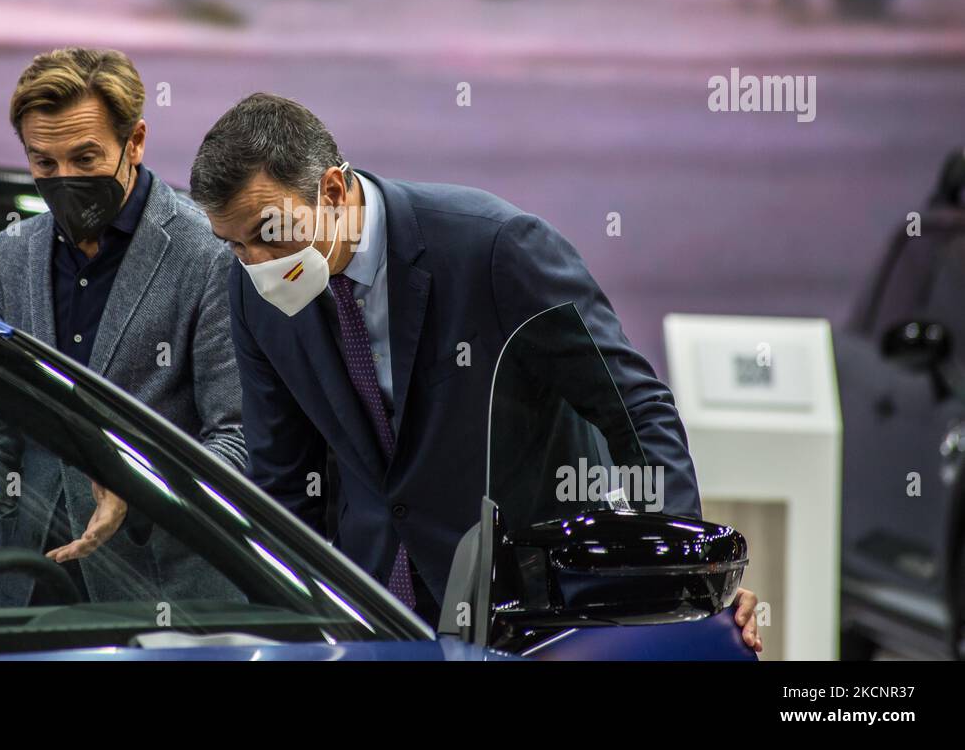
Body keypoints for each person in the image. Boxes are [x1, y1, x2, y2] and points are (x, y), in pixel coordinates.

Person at [189, 92, 761, 651]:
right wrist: (291, 633)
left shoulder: (494, 248)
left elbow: (634, 410)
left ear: (333, 190)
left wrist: (680, 586)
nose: (258, 264)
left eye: (268, 233)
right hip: (371, 615)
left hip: (528, 611)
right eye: (235, 246)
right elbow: (284, 481)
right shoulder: (253, 294)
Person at [0, 48, 246, 605]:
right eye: (44, 163)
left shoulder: (208, 255)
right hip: (31, 588)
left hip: (165, 600)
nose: (64, 180)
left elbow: (238, 440)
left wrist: (139, 489)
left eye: (85, 159)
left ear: (135, 142)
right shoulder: (12, 255)